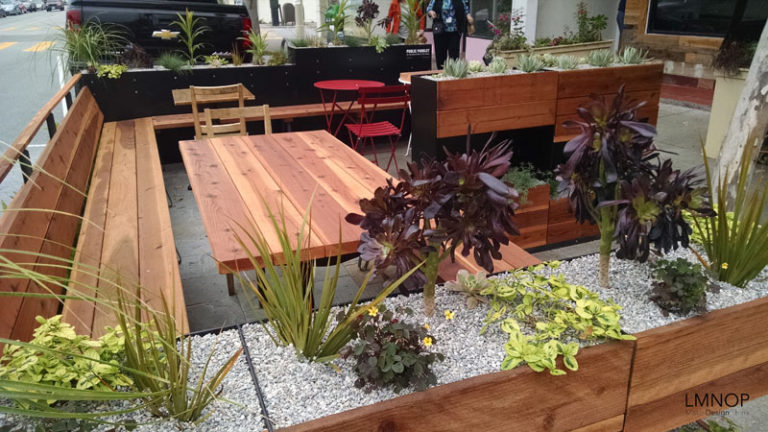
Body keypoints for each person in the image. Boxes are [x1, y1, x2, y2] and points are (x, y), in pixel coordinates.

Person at [427, 0, 473, 68]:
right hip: (440, 30)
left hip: (455, 31)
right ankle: (441, 72)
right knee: (440, 54)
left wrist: (468, 16)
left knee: (454, 55)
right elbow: (429, 9)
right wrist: (431, 12)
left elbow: (466, 9)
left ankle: (453, 72)